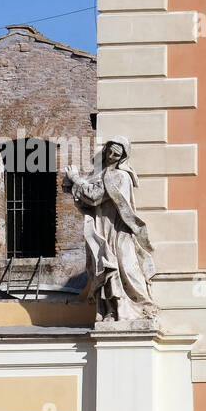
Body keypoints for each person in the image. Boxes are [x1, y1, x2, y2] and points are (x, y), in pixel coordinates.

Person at [62, 136, 158, 323]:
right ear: (105, 149)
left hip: (118, 230)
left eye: (117, 154)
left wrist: (75, 179)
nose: (112, 155)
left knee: (126, 266)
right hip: (102, 229)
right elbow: (84, 193)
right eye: (110, 150)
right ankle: (110, 311)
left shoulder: (120, 176)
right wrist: (72, 183)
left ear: (123, 157)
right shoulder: (100, 174)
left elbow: (95, 195)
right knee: (106, 269)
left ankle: (142, 307)